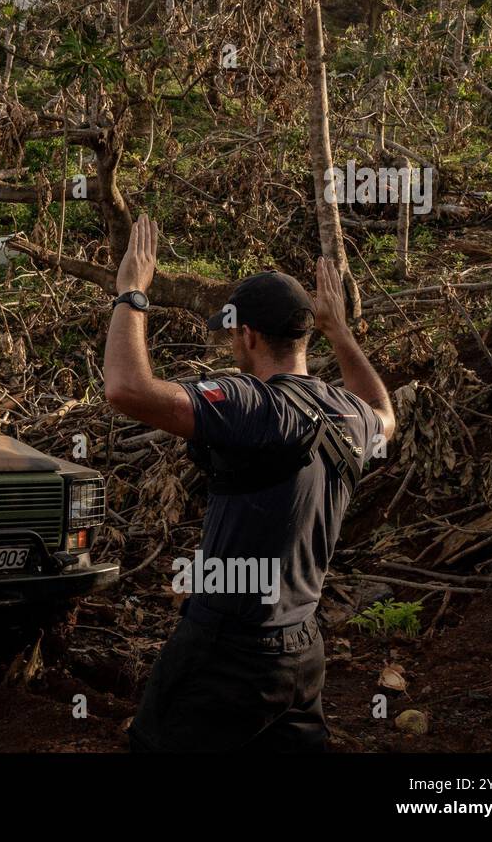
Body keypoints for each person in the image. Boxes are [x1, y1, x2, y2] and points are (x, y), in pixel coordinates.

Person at [103, 216, 396, 752]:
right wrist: (342, 332)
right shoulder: (350, 415)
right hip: (302, 650)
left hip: (228, 650)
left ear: (249, 335)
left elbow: (126, 389)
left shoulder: (254, 404)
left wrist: (131, 294)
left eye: (233, 332)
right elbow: (386, 412)